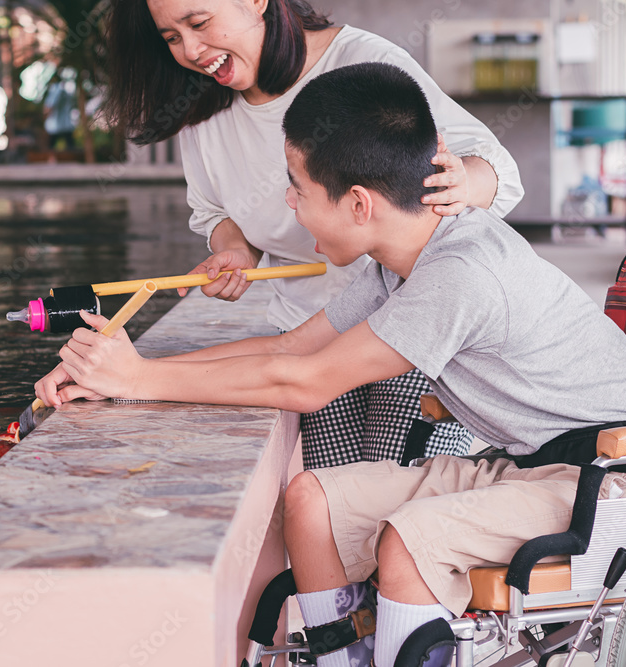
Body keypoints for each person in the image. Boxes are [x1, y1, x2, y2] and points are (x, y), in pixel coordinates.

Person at [37, 62, 626, 667]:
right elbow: (292, 347)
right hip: (544, 464)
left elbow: (306, 381)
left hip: (623, 482)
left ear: (359, 203)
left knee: (409, 541)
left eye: (297, 187)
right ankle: (340, 657)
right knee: (313, 499)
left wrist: (139, 380)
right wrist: (123, 371)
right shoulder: (400, 259)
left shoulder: (458, 272)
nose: (289, 205)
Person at [104, 0, 526, 470]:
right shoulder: (202, 104)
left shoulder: (363, 63)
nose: (191, 50)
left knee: (397, 497)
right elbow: (215, 210)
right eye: (171, 38)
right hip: (309, 328)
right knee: (335, 494)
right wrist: (235, 251)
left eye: (199, 23)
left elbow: (497, 169)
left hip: (410, 327)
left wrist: (461, 181)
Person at [44, 68, 78, 151]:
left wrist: (46, 114)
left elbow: (50, 104)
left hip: (58, 121)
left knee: (54, 141)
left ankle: (51, 157)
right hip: (63, 121)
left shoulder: (57, 88)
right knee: (67, 139)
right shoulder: (64, 88)